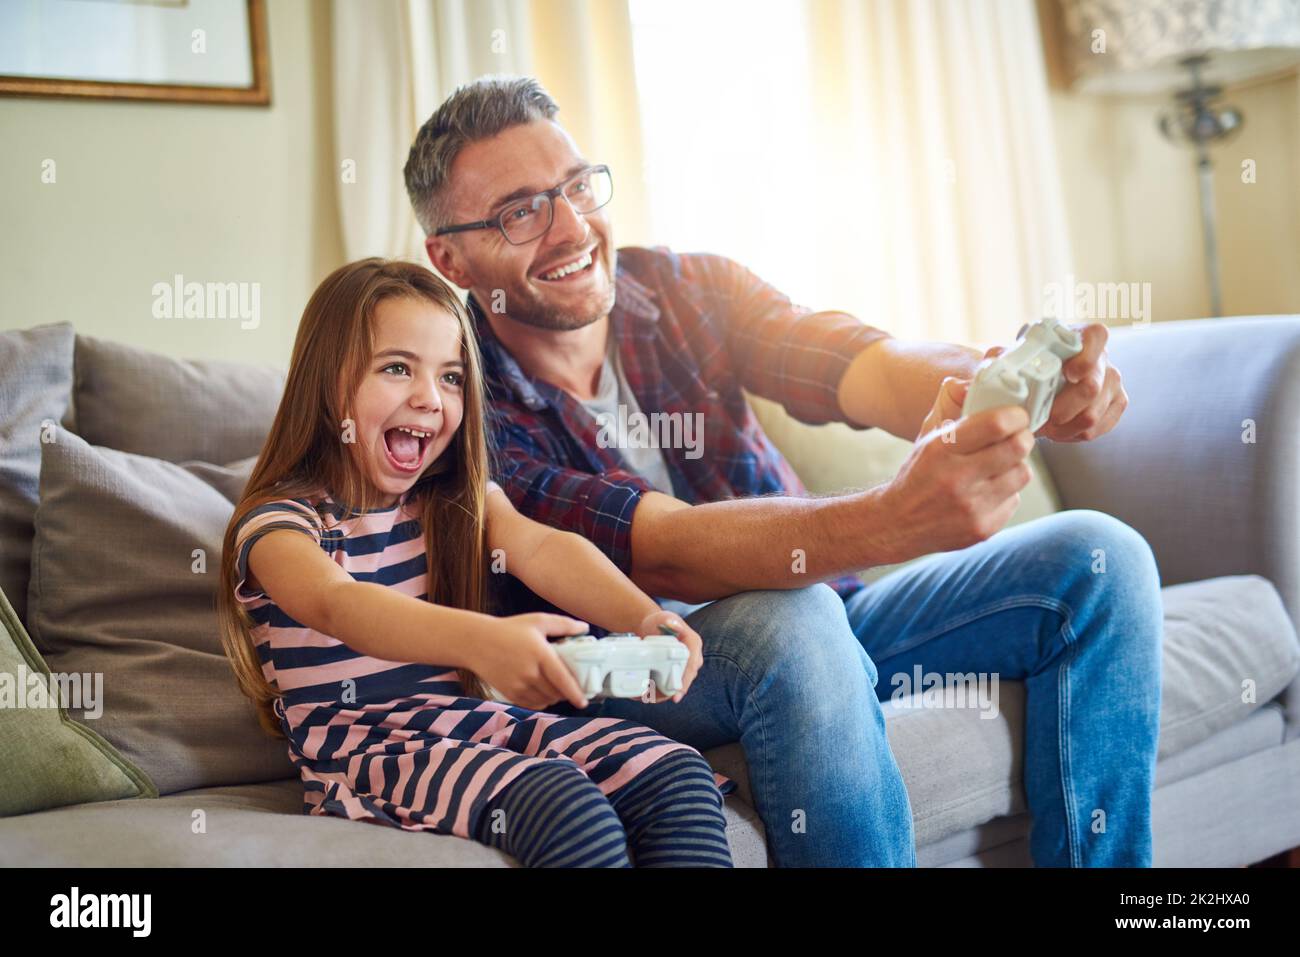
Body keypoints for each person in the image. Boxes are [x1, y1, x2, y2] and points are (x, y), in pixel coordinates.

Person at [403, 75, 1164, 867]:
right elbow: (660, 547)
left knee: (1096, 559)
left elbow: (858, 364)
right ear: (448, 256)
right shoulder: (452, 397)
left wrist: (1001, 384)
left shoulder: (683, 287)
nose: (569, 228)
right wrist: (890, 517)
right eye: (520, 211)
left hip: (829, 631)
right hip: (641, 671)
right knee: (791, 618)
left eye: (576, 186)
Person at [216, 257, 735, 868]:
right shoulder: (280, 523)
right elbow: (339, 602)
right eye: (397, 368)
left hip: (471, 722)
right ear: (326, 384)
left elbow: (542, 547)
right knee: (567, 807)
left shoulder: (450, 500)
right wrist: (483, 642)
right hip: (368, 751)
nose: (429, 398)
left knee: (676, 772)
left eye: (452, 378)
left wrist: (647, 619)